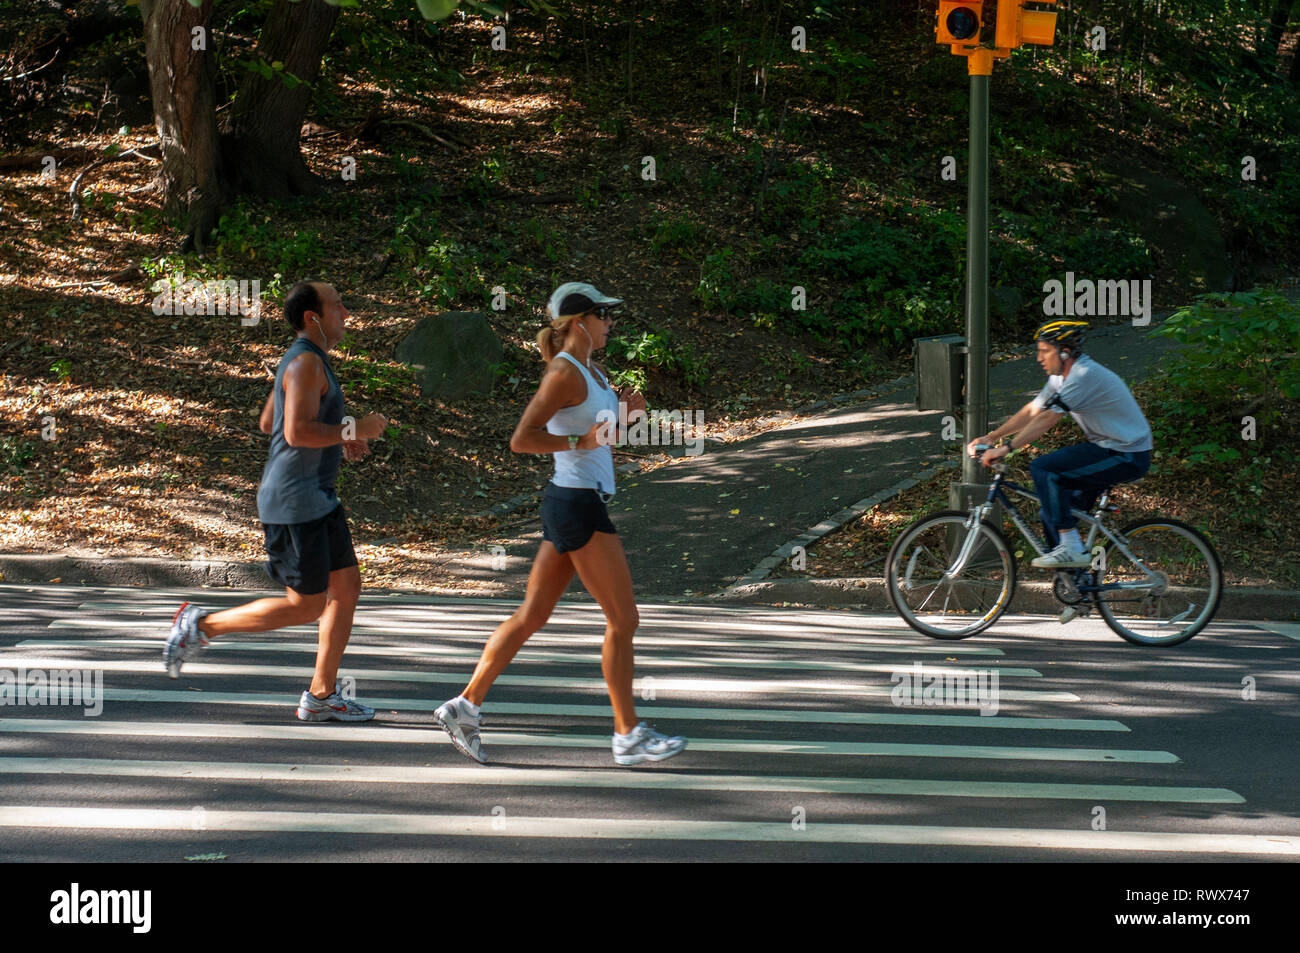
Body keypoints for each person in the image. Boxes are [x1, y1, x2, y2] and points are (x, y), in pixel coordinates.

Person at [435, 282, 687, 766]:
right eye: (603, 315)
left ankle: (463, 706)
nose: (611, 323)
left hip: (574, 501)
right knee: (624, 618)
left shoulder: (595, 372)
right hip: (575, 504)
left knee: (531, 616)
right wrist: (581, 444)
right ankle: (627, 734)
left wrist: (629, 418)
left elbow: (596, 436)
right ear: (578, 322)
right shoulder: (563, 374)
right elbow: (522, 439)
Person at [163, 280, 388, 722]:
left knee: (346, 588)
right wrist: (353, 429)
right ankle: (201, 625)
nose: (345, 311)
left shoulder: (304, 359)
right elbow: (294, 431)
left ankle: (321, 695)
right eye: (338, 304)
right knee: (305, 605)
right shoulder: (305, 362)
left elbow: (270, 420)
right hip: (295, 502)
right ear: (313, 317)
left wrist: (338, 435)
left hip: (317, 499)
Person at [967, 319, 1153, 569]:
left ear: (1065, 351)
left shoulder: (1083, 376)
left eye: (1045, 351)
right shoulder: (1061, 377)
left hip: (1127, 453)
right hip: (1108, 448)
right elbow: (1034, 409)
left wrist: (1007, 448)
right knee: (1052, 510)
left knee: (1043, 468)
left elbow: (1047, 418)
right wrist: (992, 437)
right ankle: (1075, 585)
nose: (1038, 358)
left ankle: (1072, 547)